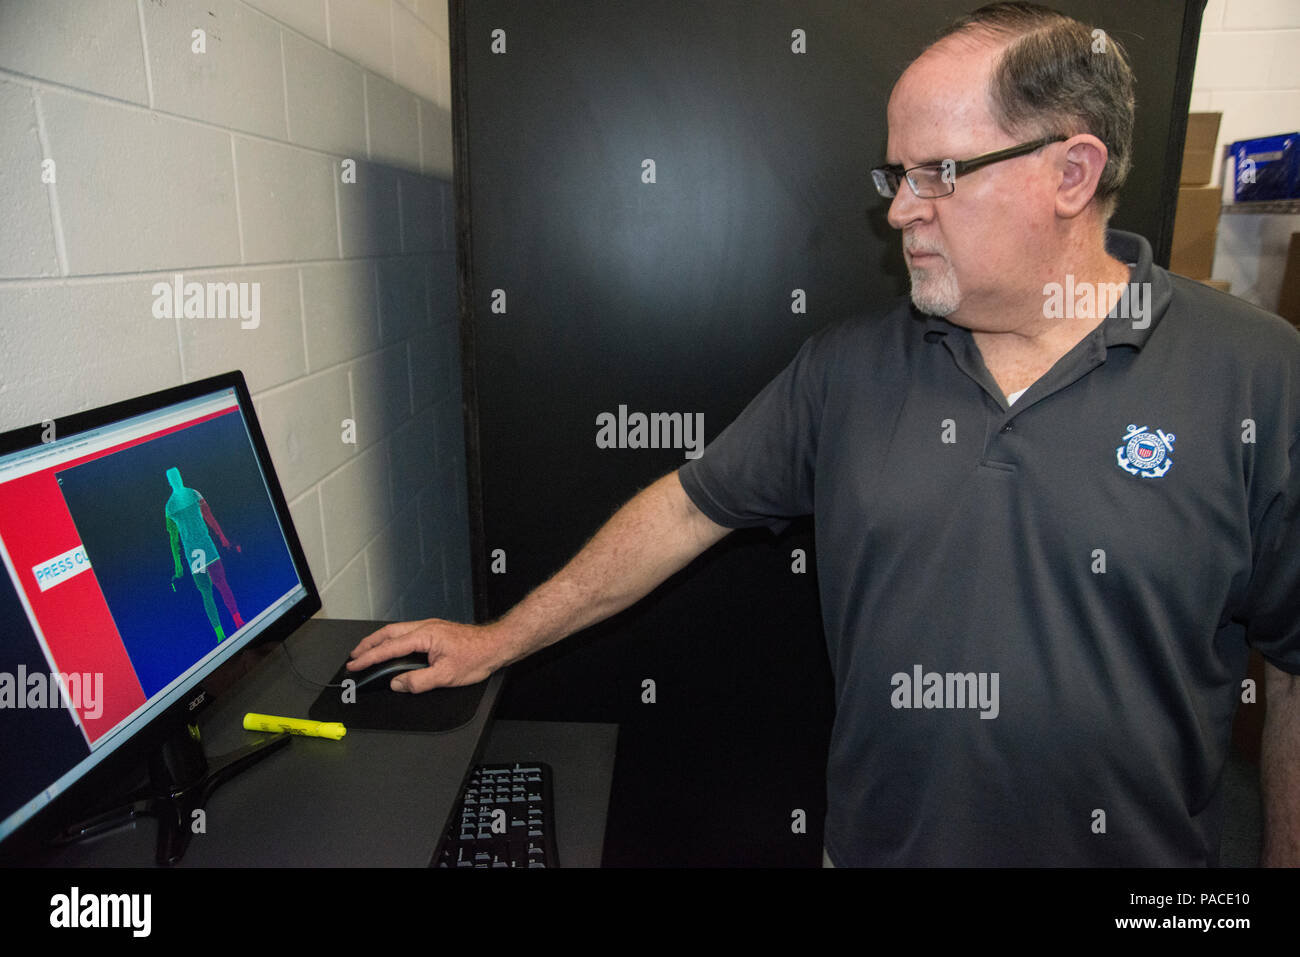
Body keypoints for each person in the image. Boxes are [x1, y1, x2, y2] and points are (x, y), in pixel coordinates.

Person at [348, 3, 1299, 866]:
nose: (898, 210)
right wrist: (498, 639)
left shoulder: (1256, 375)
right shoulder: (846, 372)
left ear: (1071, 172)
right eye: (897, 173)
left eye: (938, 173)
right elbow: (683, 511)